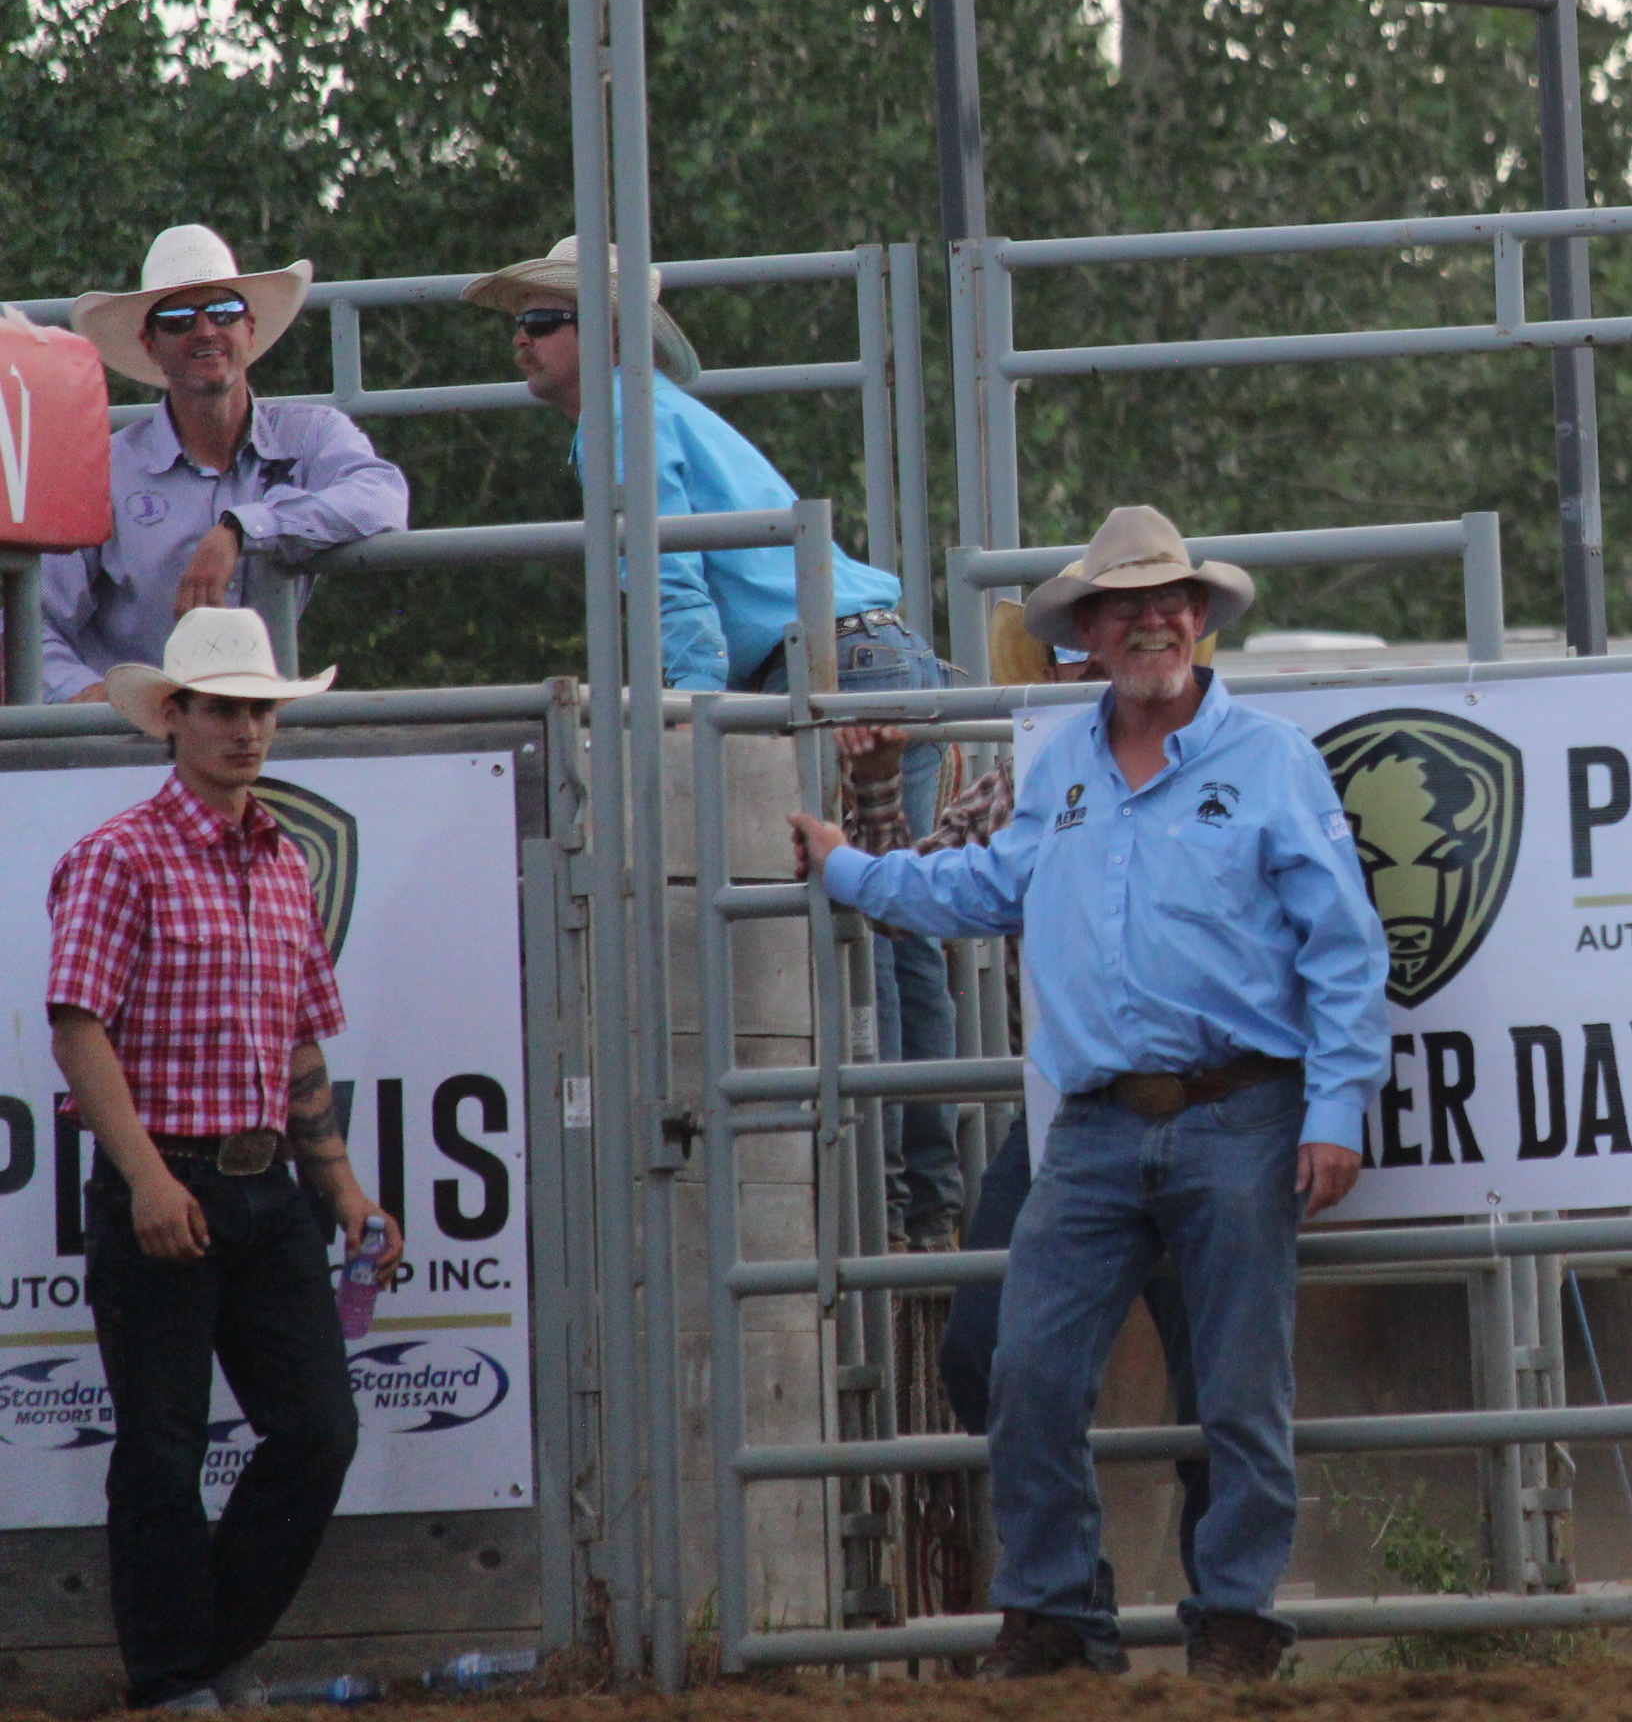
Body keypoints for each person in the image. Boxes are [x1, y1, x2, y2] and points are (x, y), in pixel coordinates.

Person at [789, 505, 1390, 1684]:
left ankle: (1231, 1615)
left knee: (1238, 1386)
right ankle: (1060, 1612)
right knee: (1026, 1370)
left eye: (1169, 602)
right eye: (1126, 608)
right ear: (1092, 633)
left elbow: (1344, 949)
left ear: (1199, 618)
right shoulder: (1059, 764)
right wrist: (851, 867)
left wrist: (1335, 1109)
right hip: (1098, 1121)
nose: (1152, 622)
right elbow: (983, 885)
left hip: (1241, 1109)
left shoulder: (1271, 758)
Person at [465, 237, 965, 1246]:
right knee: (899, 927)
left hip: (829, 668)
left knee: (867, 933)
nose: (522, 339)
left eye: (543, 319)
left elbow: (673, 584)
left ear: (607, 333)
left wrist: (686, 722)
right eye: (521, 322)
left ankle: (885, 1212)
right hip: (874, 655)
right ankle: (926, 1203)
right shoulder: (653, 409)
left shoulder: (618, 416)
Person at [47, 608, 404, 1712]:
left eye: (260, 710)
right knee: (162, 1446)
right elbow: (77, 1028)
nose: (248, 729)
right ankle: (178, 1675)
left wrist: (342, 1187)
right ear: (176, 718)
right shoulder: (119, 856)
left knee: (318, 1431)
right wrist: (148, 1177)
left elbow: (298, 1040)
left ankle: (194, 1655)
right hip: (169, 1175)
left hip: (265, 1186)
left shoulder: (284, 861)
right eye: (225, 709)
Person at [40, 226, 410, 702]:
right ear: (150, 344)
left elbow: (382, 496)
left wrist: (240, 531)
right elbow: (29, 620)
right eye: (178, 320)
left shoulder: (312, 433)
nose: (205, 331)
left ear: (248, 329)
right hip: (133, 730)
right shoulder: (102, 470)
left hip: (251, 721)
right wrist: (92, 698)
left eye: (223, 312)